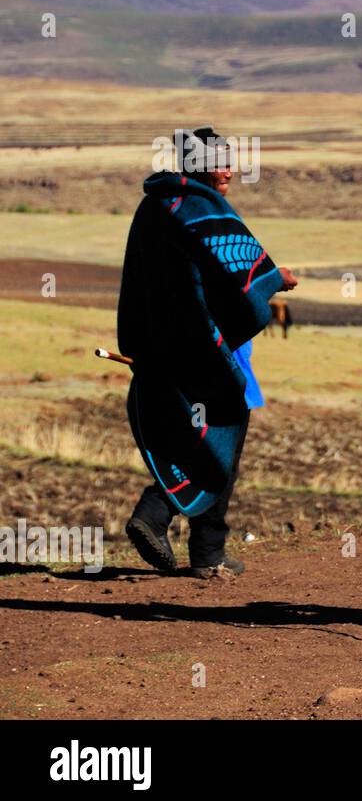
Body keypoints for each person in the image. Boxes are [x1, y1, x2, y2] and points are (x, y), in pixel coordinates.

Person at [119, 127, 296, 578]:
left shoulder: (156, 205)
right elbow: (238, 272)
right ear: (199, 166)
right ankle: (193, 541)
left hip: (162, 348)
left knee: (188, 436)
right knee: (222, 441)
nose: (229, 172)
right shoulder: (200, 207)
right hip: (205, 350)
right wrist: (275, 279)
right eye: (220, 163)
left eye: (229, 162)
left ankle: (175, 529)